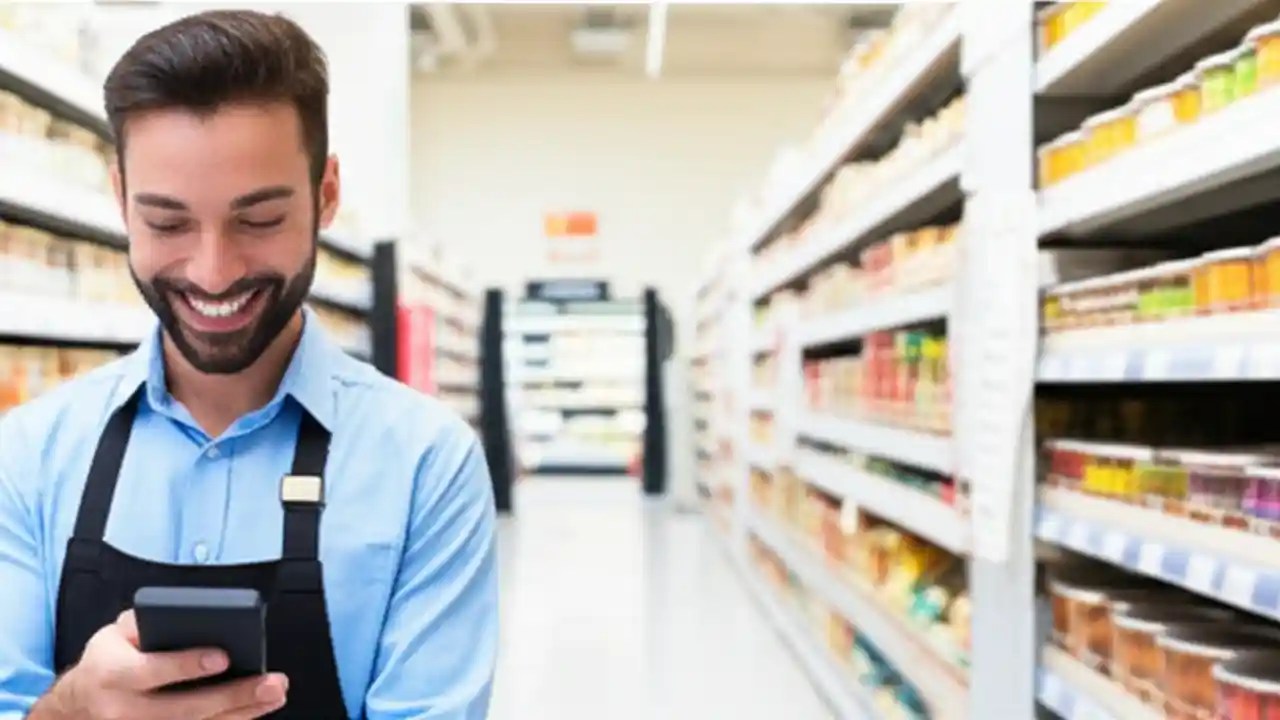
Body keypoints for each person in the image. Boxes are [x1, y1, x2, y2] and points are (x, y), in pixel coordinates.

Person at [0, 9, 498, 720]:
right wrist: (73, 708)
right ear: (120, 200)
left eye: (257, 219)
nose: (212, 272)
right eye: (168, 223)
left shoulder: (427, 465)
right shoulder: (30, 454)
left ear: (326, 195)